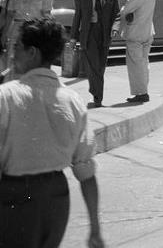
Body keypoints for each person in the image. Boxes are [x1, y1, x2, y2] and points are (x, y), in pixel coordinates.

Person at [0, 17, 105, 248]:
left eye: (17, 47)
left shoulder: (6, 96)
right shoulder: (73, 100)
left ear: (32, 53)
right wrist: (95, 229)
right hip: (56, 200)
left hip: (14, 198)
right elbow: (86, 172)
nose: (12, 54)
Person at [70, 0, 120, 109]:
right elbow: (77, 18)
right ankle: (98, 97)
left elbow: (117, 15)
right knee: (94, 66)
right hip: (89, 34)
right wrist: (73, 38)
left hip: (104, 35)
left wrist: (115, 28)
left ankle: (95, 91)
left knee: (101, 67)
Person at [0, 0, 54, 79]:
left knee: (33, 64)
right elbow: (9, 16)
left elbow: (47, 16)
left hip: (35, 32)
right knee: (13, 64)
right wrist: (3, 36)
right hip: (16, 32)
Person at [120, 0, 156, 104]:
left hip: (136, 33)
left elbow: (126, 10)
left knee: (136, 65)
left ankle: (141, 93)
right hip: (147, 30)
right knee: (144, 63)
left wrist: (125, 12)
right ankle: (143, 91)